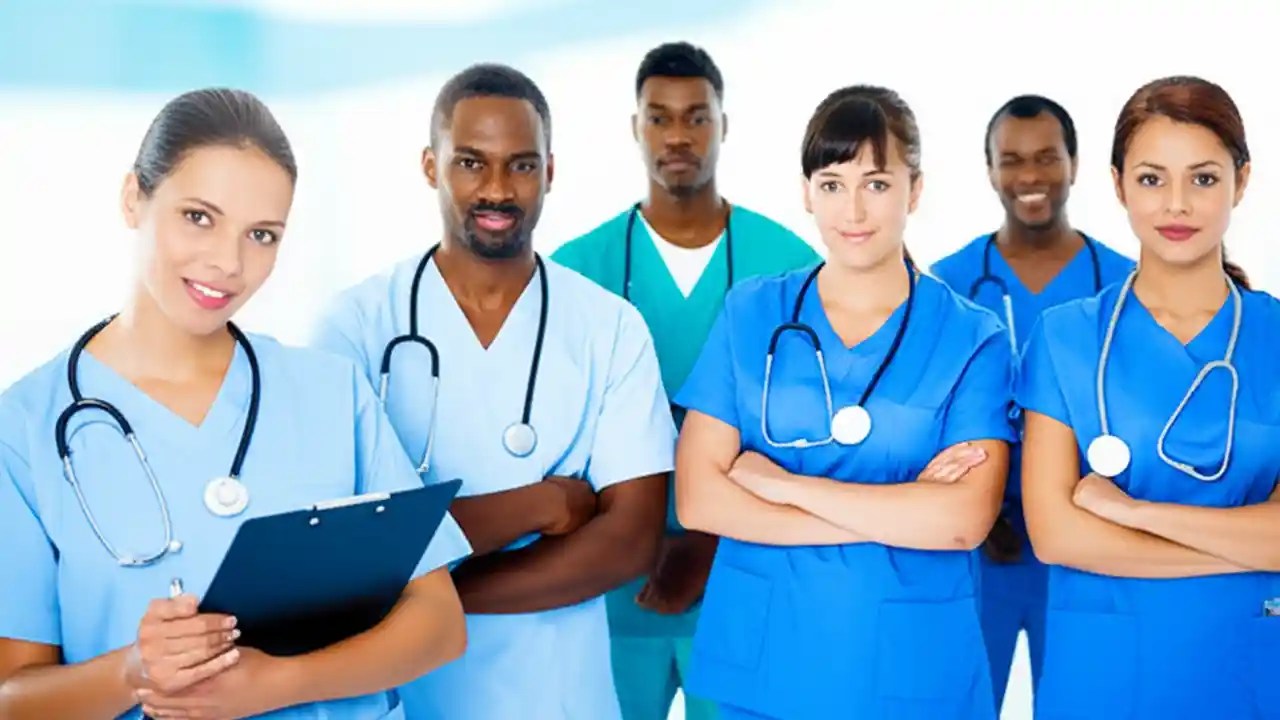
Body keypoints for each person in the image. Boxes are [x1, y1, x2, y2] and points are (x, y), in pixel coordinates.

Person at [0, 88, 470, 720]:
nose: (228, 262)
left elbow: (439, 623)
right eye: (199, 216)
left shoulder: (332, 393)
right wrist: (133, 673)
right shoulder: (25, 429)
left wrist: (279, 683)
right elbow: (13, 698)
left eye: (262, 234)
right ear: (134, 197)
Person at [308, 63, 675, 720]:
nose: (499, 190)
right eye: (472, 163)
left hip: (562, 699)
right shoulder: (357, 326)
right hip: (408, 699)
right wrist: (539, 504)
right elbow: (343, 550)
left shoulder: (609, 328)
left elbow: (630, 541)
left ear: (551, 172)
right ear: (430, 165)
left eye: (522, 166)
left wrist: (423, 594)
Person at [672, 85, 1017, 719]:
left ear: (915, 190)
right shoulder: (752, 312)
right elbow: (698, 500)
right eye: (832, 184)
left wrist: (782, 485)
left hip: (911, 666)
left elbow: (963, 521)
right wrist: (902, 510)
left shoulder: (973, 338)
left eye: (877, 184)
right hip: (769, 664)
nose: (853, 210)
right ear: (806, 192)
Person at [551, 41, 818, 720]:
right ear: (635, 128)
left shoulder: (789, 263)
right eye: (659, 117)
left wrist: (710, 539)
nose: (677, 135)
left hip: (743, 584)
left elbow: (816, 437)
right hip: (613, 591)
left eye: (697, 116)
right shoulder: (576, 269)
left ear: (723, 126)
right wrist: (635, 537)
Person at [1017, 75, 1279, 719]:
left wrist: (1130, 512)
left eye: (1205, 178)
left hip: (1247, 667)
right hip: (1102, 675)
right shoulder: (1066, 337)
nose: (1178, 205)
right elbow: (1053, 535)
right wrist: (1241, 546)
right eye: (1152, 179)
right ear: (1116, 184)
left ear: (1242, 183)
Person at [928, 93, 1133, 709]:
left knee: (1083, 701)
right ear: (989, 170)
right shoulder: (949, 282)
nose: (1030, 177)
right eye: (1011, 160)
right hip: (978, 551)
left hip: (1085, 543)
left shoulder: (1124, 284)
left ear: (1075, 163)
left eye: (1047, 157)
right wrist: (981, 510)